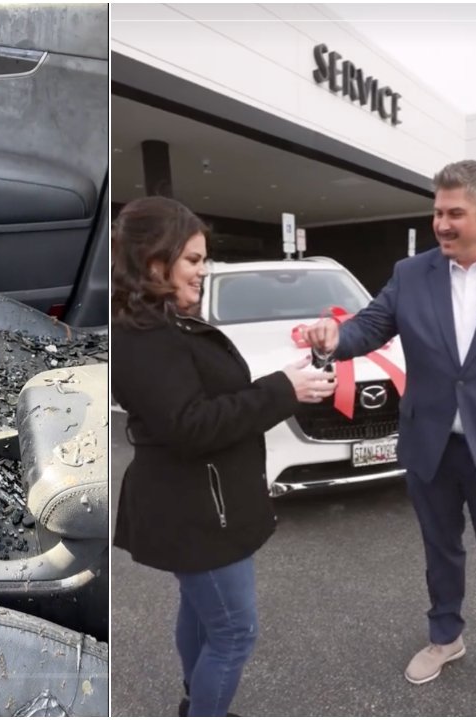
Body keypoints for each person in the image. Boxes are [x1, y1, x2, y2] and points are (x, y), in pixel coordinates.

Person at [303, 160, 476, 717]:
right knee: (441, 552)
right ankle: (446, 637)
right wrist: (335, 336)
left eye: (455, 213)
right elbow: (370, 326)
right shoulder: (412, 274)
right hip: (431, 444)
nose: (443, 224)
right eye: (438, 212)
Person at [111, 196, 336, 717]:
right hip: (198, 512)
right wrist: (283, 391)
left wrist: (289, 379)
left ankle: (197, 700)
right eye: (192, 259)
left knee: (201, 612)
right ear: (154, 263)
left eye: (203, 258)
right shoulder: (144, 336)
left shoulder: (159, 322)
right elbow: (190, 425)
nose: (203, 270)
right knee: (234, 631)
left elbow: (207, 400)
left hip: (205, 504)